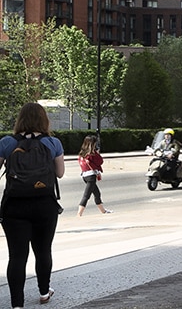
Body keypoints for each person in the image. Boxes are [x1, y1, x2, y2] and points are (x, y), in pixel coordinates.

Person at [0, 102, 66, 308]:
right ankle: (44, 292)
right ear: (44, 120)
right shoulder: (53, 143)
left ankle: (17, 304)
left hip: (14, 206)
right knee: (43, 250)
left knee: (17, 256)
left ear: (20, 119)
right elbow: (59, 173)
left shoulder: (7, 142)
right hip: (44, 205)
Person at [75, 135, 111, 217]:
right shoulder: (92, 154)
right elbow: (100, 161)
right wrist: (97, 154)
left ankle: (103, 211)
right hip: (91, 176)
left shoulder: (81, 154)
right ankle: (79, 214)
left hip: (84, 175)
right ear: (92, 144)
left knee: (97, 193)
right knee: (86, 195)